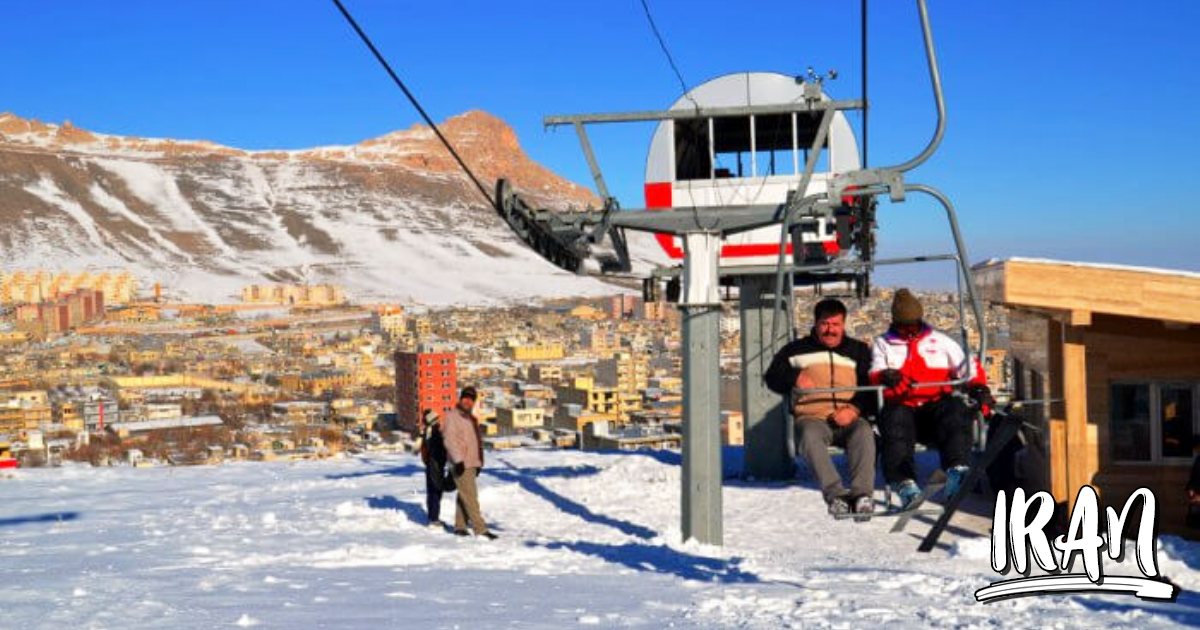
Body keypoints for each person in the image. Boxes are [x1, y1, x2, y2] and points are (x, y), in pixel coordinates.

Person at [869, 288, 993, 509]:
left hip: (935, 406)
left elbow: (968, 367)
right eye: (904, 326)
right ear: (895, 322)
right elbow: (875, 371)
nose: (909, 331)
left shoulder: (940, 342)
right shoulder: (884, 343)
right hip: (903, 405)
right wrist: (885, 376)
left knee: (955, 410)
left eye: (913, 325)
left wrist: (978, 387)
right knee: (894, 423)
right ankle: (903, 481)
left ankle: (957, 469)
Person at [766, 298, 877, 517]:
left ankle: (862, 495)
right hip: (813, 417)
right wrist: (794, 376)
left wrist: (854, 409)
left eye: (835, 325)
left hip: (848, 416)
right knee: (809, 437)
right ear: (816, 324)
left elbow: (870, 387)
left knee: (864, 433)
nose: (830, 330)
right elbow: (772, 377)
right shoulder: (795, 350)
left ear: (843, 324)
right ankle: (835, 495)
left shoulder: (858, 351)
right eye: (825, 324)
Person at [442, 386, 497, 539]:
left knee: (464, 494)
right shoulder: (452, 416)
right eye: (465, 397)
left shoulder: (469, 418)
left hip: (471, 462)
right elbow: (449, 440)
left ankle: (460, 526)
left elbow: (474, 442)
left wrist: (477, 463)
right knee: (471, 497)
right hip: (461, 463)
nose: (467, 401)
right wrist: (458, 460)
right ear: (460, 398)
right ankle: (480, 529)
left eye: (471, 399)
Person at [417, 408, 452, 528]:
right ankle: (434, 519)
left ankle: (432, 516)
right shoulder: (435, 432)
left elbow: (421, 450)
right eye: (437, 418)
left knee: (431, 491)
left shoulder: (426, 431)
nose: (439, 420)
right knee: (436, 491)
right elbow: (440, 449)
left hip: (430, 465)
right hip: (436, 465)